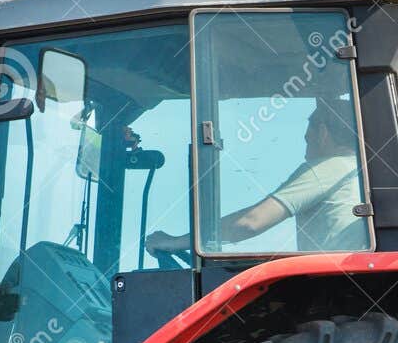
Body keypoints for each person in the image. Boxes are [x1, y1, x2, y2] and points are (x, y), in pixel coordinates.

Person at [147, 98, 366, 256]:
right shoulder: (359, 170)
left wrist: (179, 242)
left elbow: (249, 222)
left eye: (307, 140)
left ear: (323, 133)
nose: (306, 153)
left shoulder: (329, 167)